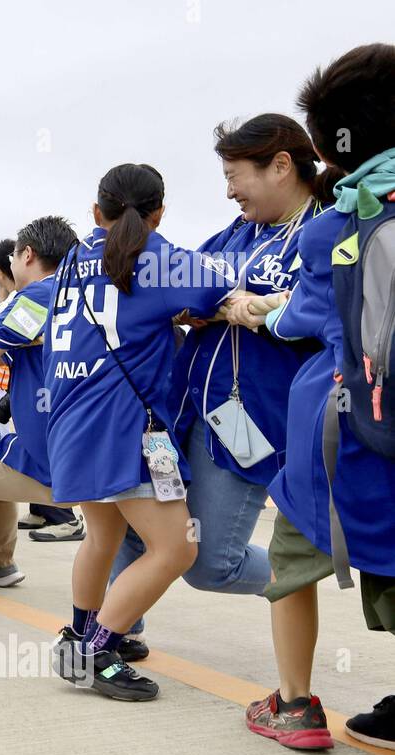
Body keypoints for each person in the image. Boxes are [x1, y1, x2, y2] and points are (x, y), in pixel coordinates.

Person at [109, 113, 335, 653]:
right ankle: (114, 633)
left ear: (281, 166)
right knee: (134, 524)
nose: (229, 190)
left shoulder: (323, 232)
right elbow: (187, 285)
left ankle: (295, 578)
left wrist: (252, 306)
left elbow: (315, 309)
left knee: (211, 564)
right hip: (181, 408)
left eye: (235, 175)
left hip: (247, 422)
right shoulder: (236, 232)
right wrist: (218, 305)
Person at [228, 44, 395, 751]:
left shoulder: (336, 224)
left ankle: (294, 704)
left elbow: (302, 319)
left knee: (293, 561)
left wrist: (255, 310)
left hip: (336, 431)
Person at [45, 162, 235, 702]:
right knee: (176, 549)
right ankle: (95, 650)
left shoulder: (73, 259)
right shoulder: (151, 256)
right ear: (158, 214)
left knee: (102, 536)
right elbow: (218, 283)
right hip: (124, 424)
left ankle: (79, 633)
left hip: (71, 420)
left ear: (95, 211)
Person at [0, 217, 80, 593]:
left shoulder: (36, 297)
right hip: (96, 448)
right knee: (3, 455)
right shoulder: (84, 293)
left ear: (28, 255)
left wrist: (6, 308)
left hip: (53, 458)